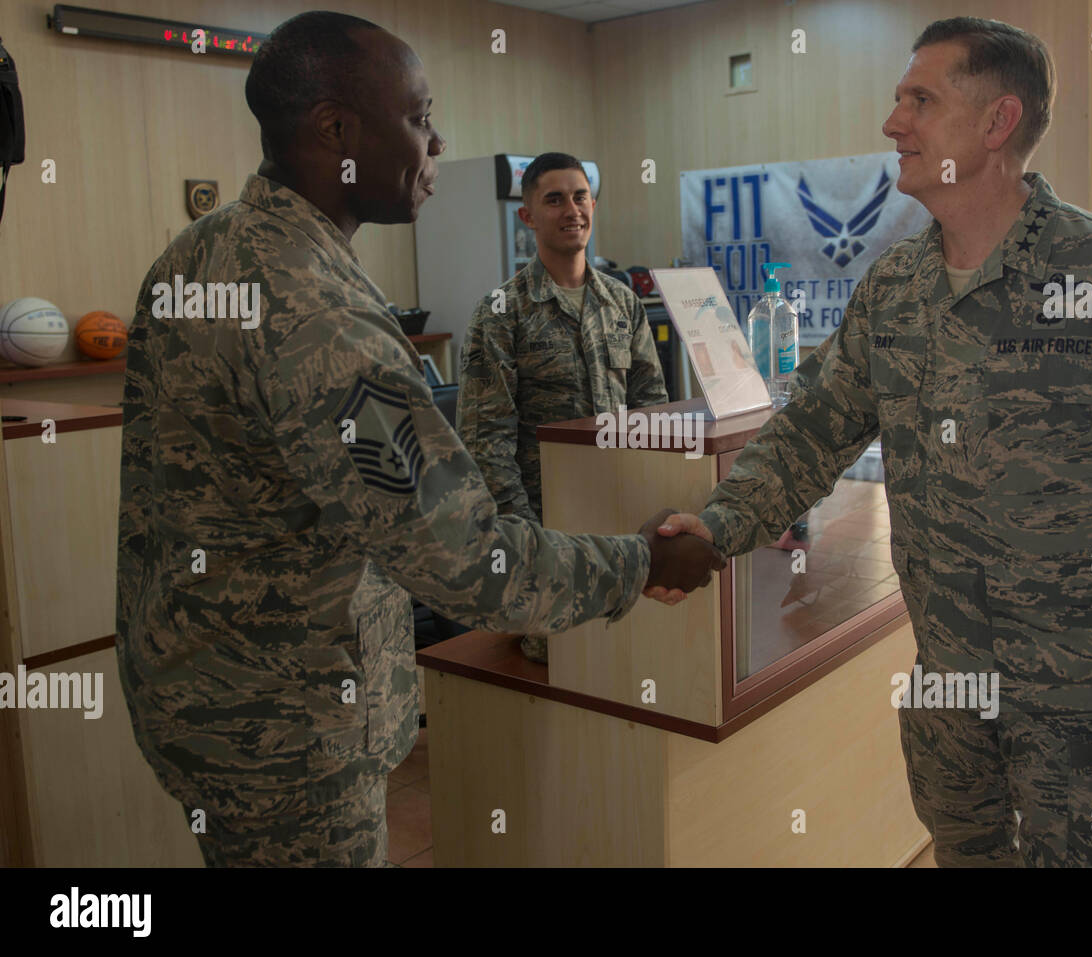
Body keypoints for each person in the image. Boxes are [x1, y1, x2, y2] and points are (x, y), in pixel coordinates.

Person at [649, 16, 1092, 867]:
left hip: (1087, 711)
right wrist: (720, 527)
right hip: (953, 696)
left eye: (920, 99)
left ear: (996, 123)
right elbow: (811, 430)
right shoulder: (896, 290)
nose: (892, 122)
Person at [115, 11, 723, 868]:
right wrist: (644, 563)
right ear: (337, 130)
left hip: (196, 692)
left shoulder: (193, 257)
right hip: (289, 731)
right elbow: (468, 560)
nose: (435, 142)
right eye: (418, 116)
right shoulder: (319, 309)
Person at [457, 152, 669, 662]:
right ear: (527, 216)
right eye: (554, 199)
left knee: (631, 658)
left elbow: (653, 409)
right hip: (548, 535)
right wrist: (529, 546)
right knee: (566, 665)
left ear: (593, 204)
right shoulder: (501, 312)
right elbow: (487, 446)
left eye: (579, 196)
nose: (571, 209)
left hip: (622, 521)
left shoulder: (623, 303)